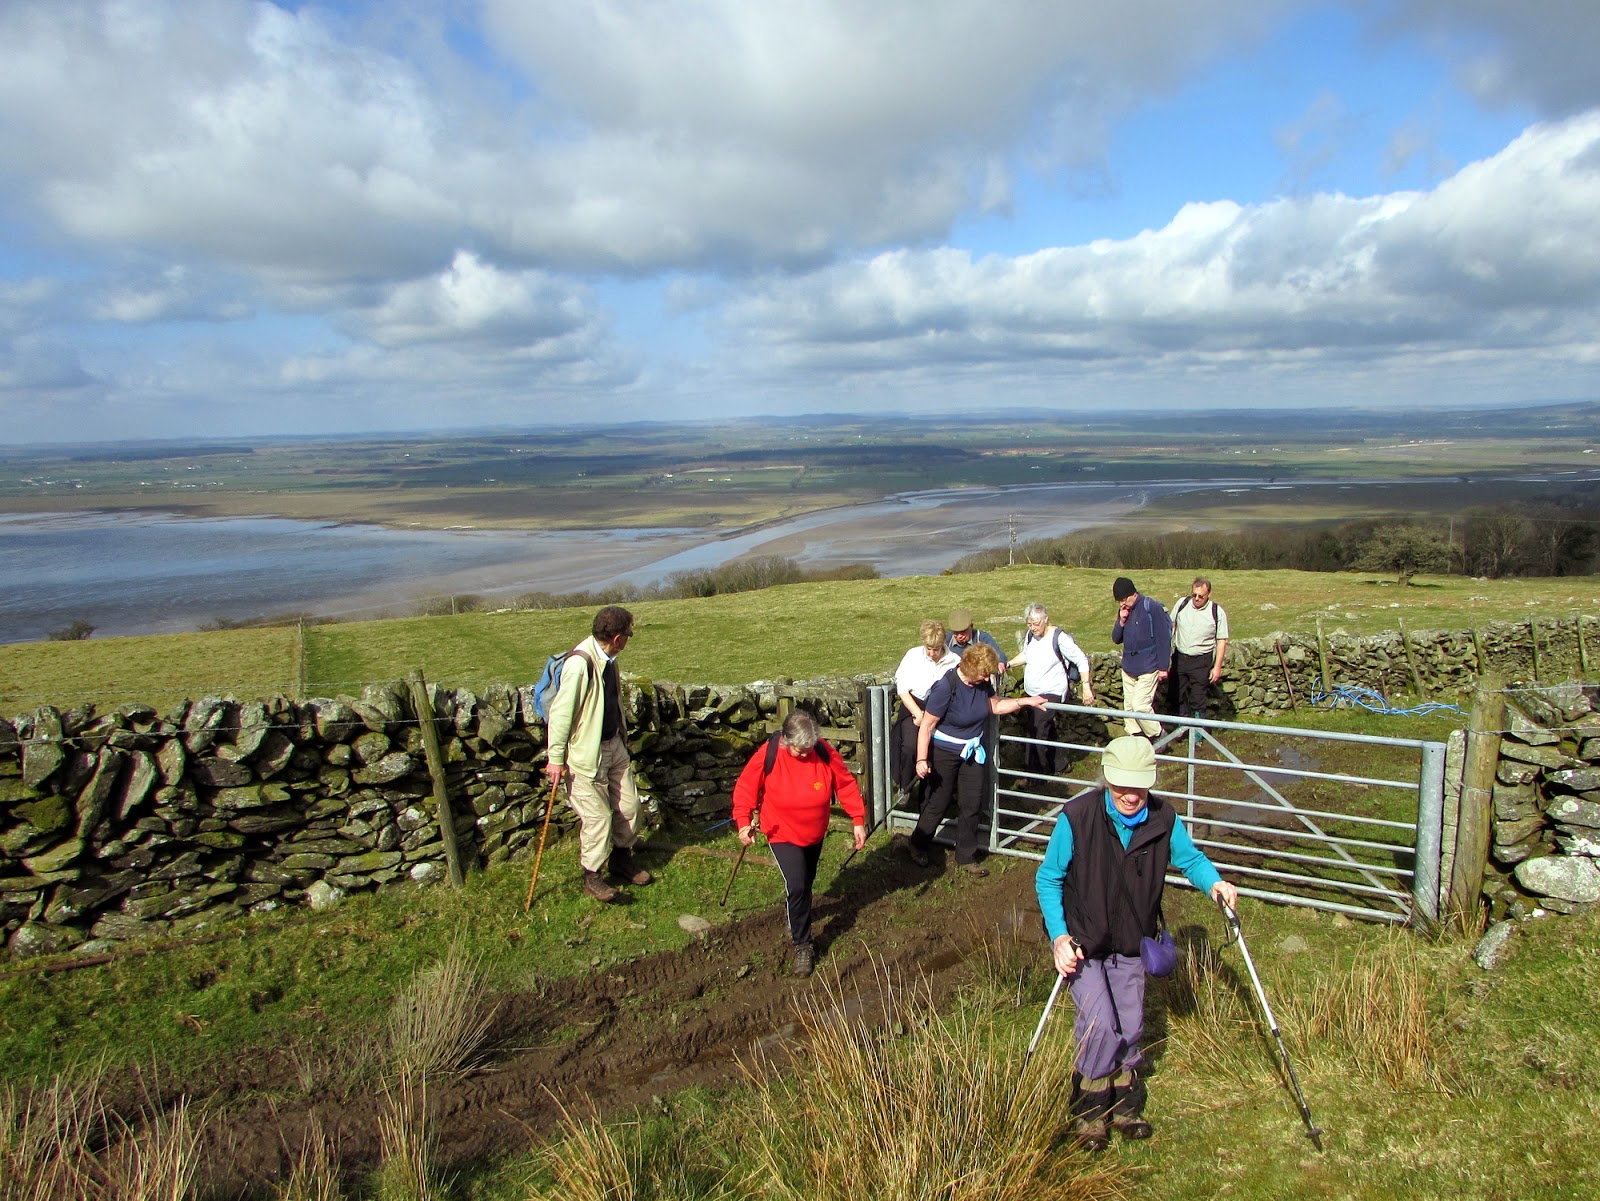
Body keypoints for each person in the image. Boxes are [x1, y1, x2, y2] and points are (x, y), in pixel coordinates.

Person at [1035, 736, 1239, 1150]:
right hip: (1083, 943)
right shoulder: (1076, 818)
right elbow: (1049, 878)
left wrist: (1214, 883)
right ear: (1108, 780)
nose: (1130, 795)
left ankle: (1126, 1104)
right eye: (1121, 785)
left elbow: (1192, 860)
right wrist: (1059, 937)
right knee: (1099, 1026)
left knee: (1130, 1024)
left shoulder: (1163, 819)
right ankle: (1091, 1112)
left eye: (1138, 786)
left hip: (1132, 939)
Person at [732, 710, 868, 977]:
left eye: (809, 748)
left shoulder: (824, 752)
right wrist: (743, 822)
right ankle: (803, 944)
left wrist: (858, 820)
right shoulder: (769, 753)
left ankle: (797, 915)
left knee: (806, 882)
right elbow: (746, 787)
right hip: (781, 831)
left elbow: (845, 784)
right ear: (785, 740)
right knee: (796, 884)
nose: (806, 753)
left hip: (814, 833)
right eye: (800, 749)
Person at [542, 605, 652, 903]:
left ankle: (621, 859)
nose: (629, 639)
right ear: (617, 638)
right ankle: (592, 876)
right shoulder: (580, 664)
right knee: (598, 817)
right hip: (585, 752)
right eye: (629, 634)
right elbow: (562, 714)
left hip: (614, 744)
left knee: (629, 807)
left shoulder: (609, 660)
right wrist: (555, 759)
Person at [910, 643, 1046, 875]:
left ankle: (966, 856)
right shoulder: (946, 687)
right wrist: (922, 759)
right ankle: (917, 844)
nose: (987, 677)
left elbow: (995, 706)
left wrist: (1024, 701)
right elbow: (927, 726)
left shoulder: (982, 684)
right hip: (944, 753)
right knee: (938, 802)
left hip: (972, 752)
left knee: (972, 803)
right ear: (971, 667)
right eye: (984, 673)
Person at [1008, 602, 1095, 777]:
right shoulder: (1031, 636)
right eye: (1029, 624)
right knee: (1044, 728)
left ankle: (1036, 775)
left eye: (1036, 624)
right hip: (1032, 692)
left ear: (1046, 619)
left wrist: (1086, 687)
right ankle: (1060, 765)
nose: (1033, 628)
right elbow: (1026, 654)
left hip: (1051, 691)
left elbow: (1081, 660)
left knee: (1037, 731)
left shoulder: (1059, 638)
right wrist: (1008, 663)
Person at [892, 619, 959, 802]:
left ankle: (932, 794)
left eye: (935, 649)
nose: (931, 653)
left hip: (941, 712)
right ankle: (905, 787)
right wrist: (918, 714)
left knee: (938, 751)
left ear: (942, 644)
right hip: (914, 707)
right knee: (910, 747)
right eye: (928, 648)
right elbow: (902, 688)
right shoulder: (912, 656)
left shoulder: (954, 661)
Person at [1110, 577, 1171, 738]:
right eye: (1119, 601)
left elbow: (1164, 638)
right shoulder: (1124, 611)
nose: (1121, 604)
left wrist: (1163, 667)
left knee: (1140, 705)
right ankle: (1137, 739)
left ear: (1133, 594)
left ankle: (1159, 735)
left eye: (1123, 599)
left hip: (1148, 665)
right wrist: (1121, 621)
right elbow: (1116, 638)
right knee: (1129, 709)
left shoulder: (1151, 607)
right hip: (1129, 667)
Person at [1170, 577, 1230, 719]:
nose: (1196, 599)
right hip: (1180, 658)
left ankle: (1197, 735)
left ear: (1208, 594)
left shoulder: (1216, 612)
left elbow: (1221, 640)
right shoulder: (1182, 604)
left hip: (1201, 661)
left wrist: (1217, 667)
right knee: (1176, 694)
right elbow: (1171, 626)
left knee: (1197, 699)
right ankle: (1182, 729)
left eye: (1201, 596)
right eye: (1194, 595)